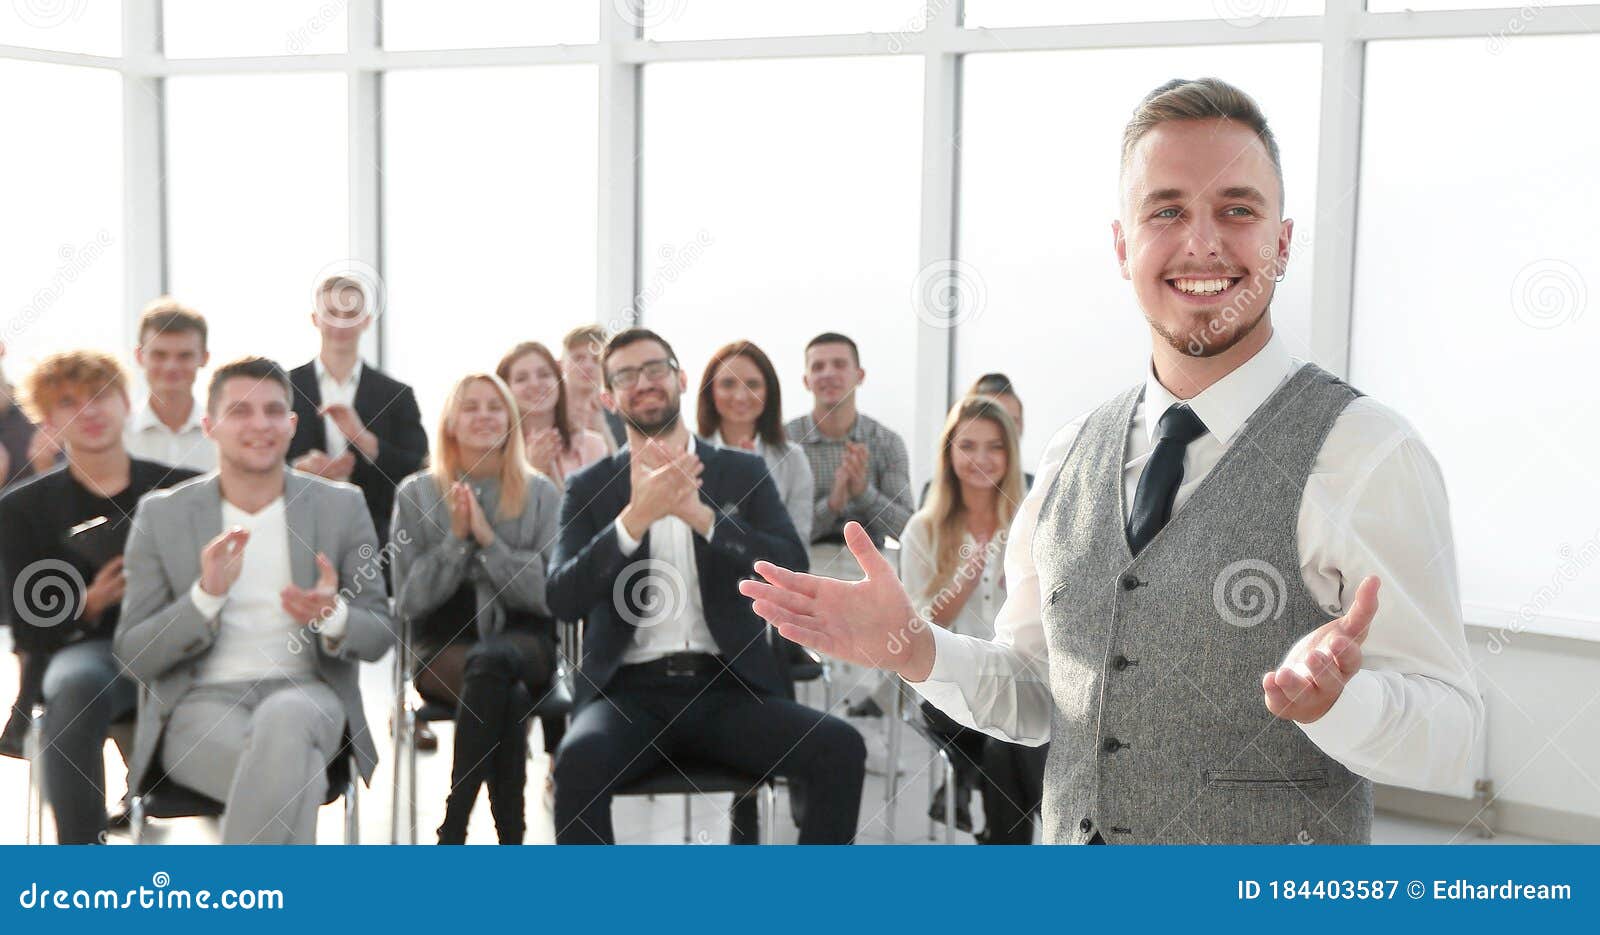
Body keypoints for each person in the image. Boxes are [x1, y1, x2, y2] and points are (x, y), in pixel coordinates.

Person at [742, 77, 1483, 845]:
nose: (1202, 242)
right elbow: (1038, 691)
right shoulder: (1071, 455)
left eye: (1237, 209)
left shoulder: (1365, 451)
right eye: (1167, 210)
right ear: (1123, 245)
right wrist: (913, 648)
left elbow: (1453, 727)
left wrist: (1342, 704)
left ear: (1282, 243)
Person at [548, 328, 865, 844]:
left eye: (655, 369)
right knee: (577, 760)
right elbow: (561, 596)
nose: (644, 383)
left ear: (680, 377)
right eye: (626, 376)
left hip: (731, 689)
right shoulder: (588, 489)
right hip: (629, 695)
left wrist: (702, 517)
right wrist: (633, 520)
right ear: (608, 397)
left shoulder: (741, 472)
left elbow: (790, 563)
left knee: (840, 747)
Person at [116, 356, 396, 844]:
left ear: (292, 425)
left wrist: (333, 616)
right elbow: (134, 656)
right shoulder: (163, 515)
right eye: (240, 411)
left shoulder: (341, 506)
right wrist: (206, 597)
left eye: (273, 411)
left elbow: (377, 637)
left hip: (309, 697)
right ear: (210, 426)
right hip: (200, 710)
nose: (259, 424)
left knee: (284, 719)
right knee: (297, 775)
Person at [0, 351, 198, 842]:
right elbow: (26, 627)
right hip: (87, 653)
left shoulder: (181, 489)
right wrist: (88, 602)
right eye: (69, 402)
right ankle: (83, 863)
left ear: (127, 402)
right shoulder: (22, 508)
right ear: (48, 420)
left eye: (100, 396)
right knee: (74, 685)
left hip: (182, 647)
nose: (88, 411)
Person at [390, 372, 562, 844]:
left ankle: (454, 829)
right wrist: (456, 541)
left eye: (494, 406)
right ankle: (511, 841)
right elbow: (410, 600)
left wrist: (488, 541)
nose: (484, 415)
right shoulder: (416, 494)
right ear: (449, 422)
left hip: (527, 644)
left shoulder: (542, 493)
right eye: (471, 406)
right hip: (443, 647)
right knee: (507, 697)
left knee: (495, 667)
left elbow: (548, 596)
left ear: (510, 420)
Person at [898, 396, 1041, 843]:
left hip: (1023, 677)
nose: (981, 458)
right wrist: (968, 574)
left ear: (1010, 453)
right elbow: (914, 632)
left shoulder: (1031, 522)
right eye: (968, 445)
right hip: (947, 682)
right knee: (1011, 747)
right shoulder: (924, 529)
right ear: (949, 453)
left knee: (1014, 744)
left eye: (995, 446)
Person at [286, 275, 428, 546]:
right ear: (315, 319)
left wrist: (365, 441)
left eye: (351, 313)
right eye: (332, 312)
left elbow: (418, 469)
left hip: (376, 536)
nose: (341, 322)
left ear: (366, 321)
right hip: (297, 530)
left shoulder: (397, 395)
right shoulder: (284, 387)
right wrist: (298, 468)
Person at [785, 332, 913, 549]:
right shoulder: (785, 441)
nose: (828, 374)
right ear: (806, 381)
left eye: (839, 364)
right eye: (818, 367)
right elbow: (779, 533)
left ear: (859, 375)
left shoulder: (887, 442)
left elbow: (909, 532)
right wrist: (832, 505)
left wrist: (864, 493)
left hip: (871, 567)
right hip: (802, 568)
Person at [0, 340, 60, 759]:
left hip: (24, 565)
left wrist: (41, 468)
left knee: (45, 573)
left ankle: (25, 710)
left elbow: (67, 506)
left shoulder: (35, 425)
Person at [697, 340, 813, 545]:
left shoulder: (793, 459)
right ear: (710, 391)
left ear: (769, 392)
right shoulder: (689, 454)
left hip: (766, 576)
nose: (741, 396)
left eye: (753, 385)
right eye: (727, 384)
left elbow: (796, 547)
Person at [496, 341, 608, 488]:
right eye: (521, 378)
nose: (535, 384)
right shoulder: (494, 452)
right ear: (505, 389)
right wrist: (533, 470)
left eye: (544, 374)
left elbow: (597, 510)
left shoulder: (592, 445)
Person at [123, 297, 217, 472]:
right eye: (159, 355)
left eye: (184, 355)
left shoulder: (226, 435)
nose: (171, 367)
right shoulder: (118, 436)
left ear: (204, 358)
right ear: (139, 356)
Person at [920, 372, 1034, 505]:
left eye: (1010, 420)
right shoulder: (933, 498)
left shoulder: (1038, 491)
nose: (1002, 428)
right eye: (988, 415)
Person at [559, 324, 627, 453]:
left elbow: (624, 471)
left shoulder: (620, 414)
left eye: (597, 359)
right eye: (578, 358)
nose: (588, 366)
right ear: (561, 364)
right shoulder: (548, 410)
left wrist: (602, 430)